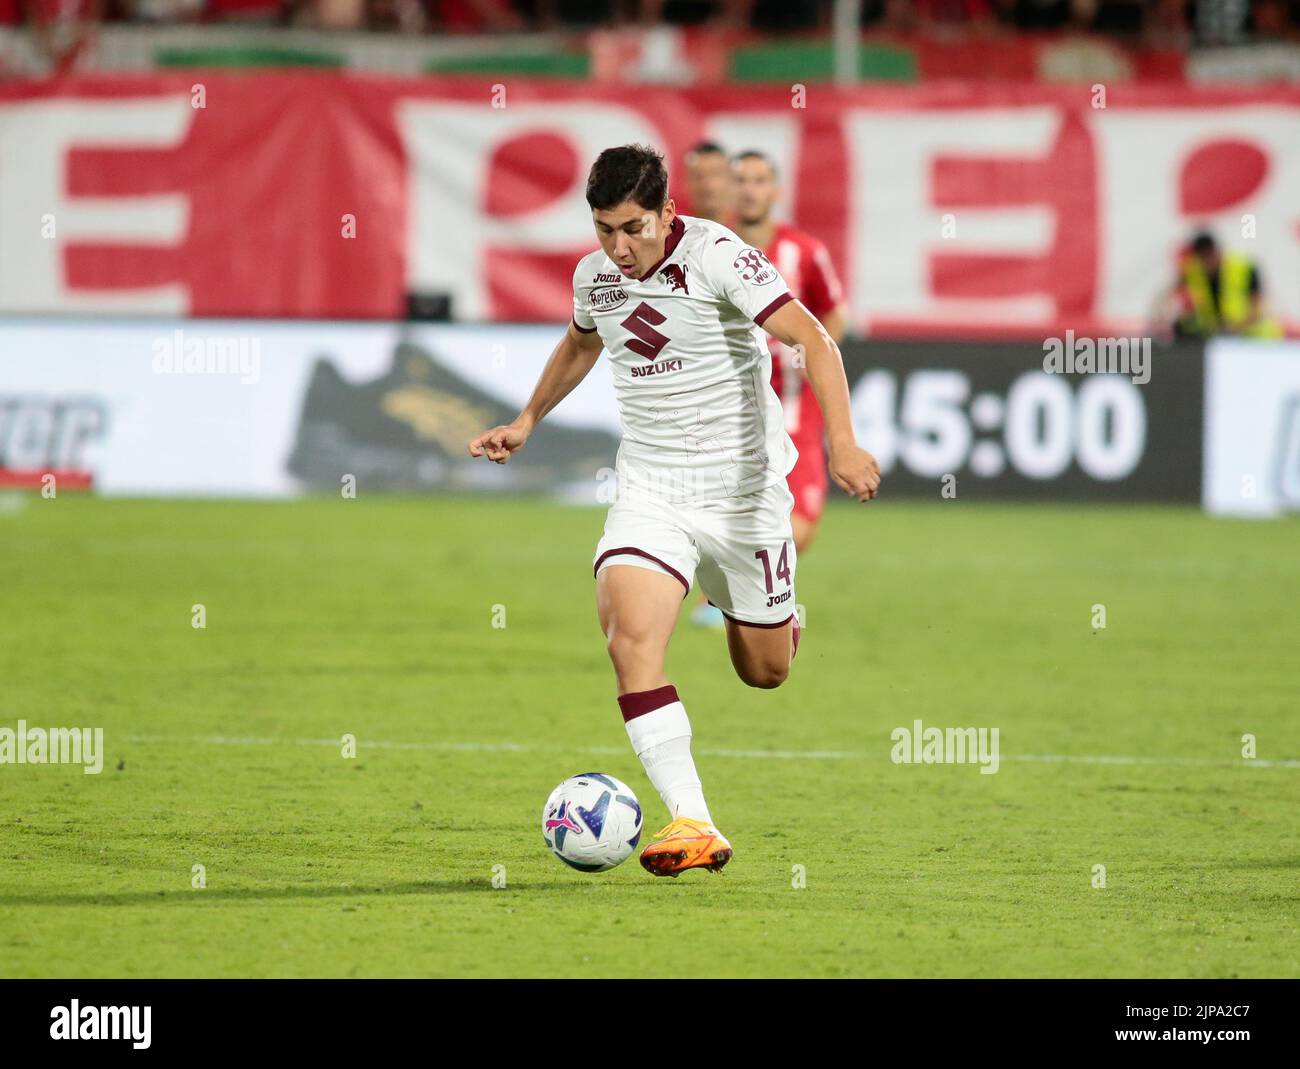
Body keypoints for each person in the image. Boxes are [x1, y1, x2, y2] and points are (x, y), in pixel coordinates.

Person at [468, 144, 880, 877]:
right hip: (651, 489)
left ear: (668, 212)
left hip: (744, 494)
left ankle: (772, 615)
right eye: (603, 229)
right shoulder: (594, 276)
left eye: (633, 227)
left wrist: (843, 443)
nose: (619, 248)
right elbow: (579, 341)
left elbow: (813, 337)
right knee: (629, 639)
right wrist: (526, 418)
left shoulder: (719, 255)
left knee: (765, 671)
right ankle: (694, 818)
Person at [1165, 231, 1282, 339]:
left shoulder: (1243, 268)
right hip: (1220, 339)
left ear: (1216, 251)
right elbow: (1170, 297)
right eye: (1202, 258)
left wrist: (1234, 328)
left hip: (1253, 340)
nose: (1207, 263)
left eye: (1209, 256)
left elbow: (1258, 309)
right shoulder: (1194, 272)